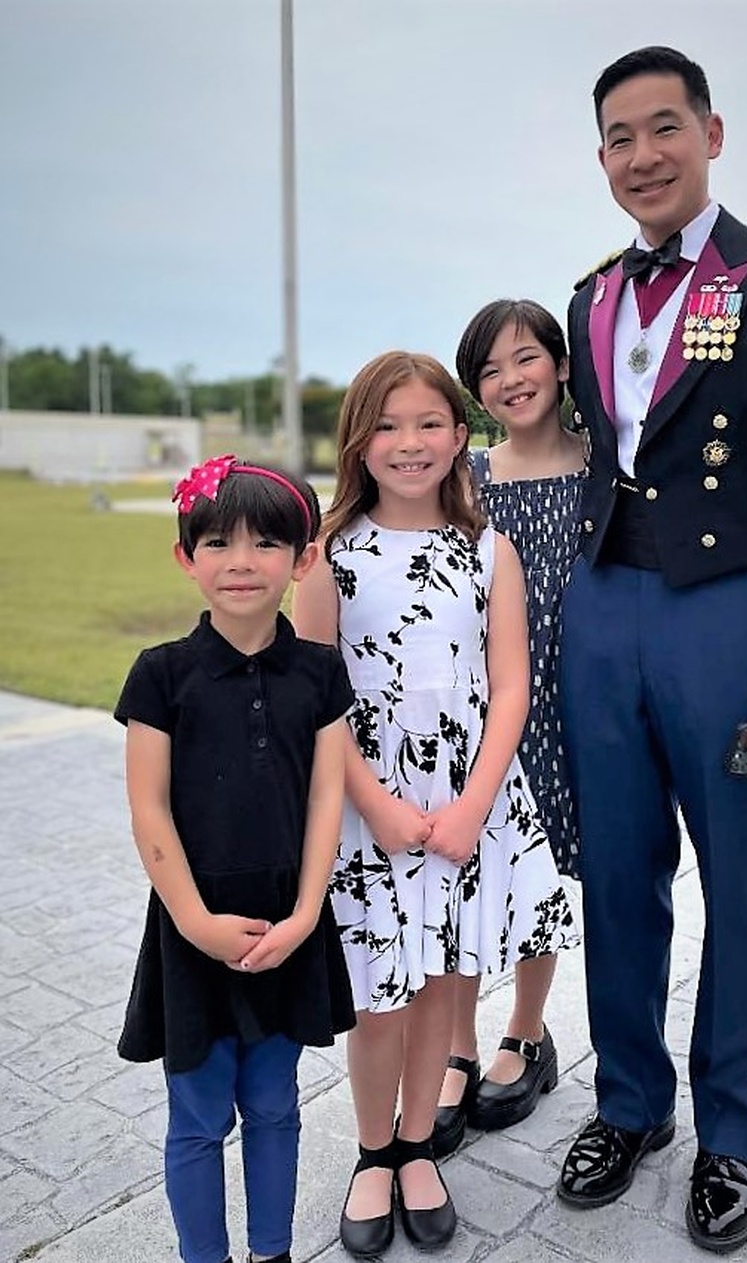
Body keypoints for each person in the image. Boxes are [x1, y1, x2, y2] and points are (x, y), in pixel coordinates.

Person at [556, 46, 747, 1252]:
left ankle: (731, 1135)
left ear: (711, 133)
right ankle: (629, 1105)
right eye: (618, 138)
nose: (641, 156)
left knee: (741, 888)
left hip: (731, 620)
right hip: (603, 613)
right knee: (616, 878)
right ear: (600, 157)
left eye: (663, 128)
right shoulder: (590, 296)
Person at [292, 351, 577, 1257]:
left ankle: (418, 1147)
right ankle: (372, 1153)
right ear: (357, 442)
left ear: (460, 436)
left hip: (466, 809)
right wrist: (372, 802)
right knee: (382, 997)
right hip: (368, 811)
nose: (408, 442)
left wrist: (473, 805)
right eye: (386, 425)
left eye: (427, 423)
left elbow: (511, 685)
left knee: (443, 986)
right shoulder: (329, 557)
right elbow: (313, 697)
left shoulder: (489, 550)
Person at [114, 455, 356, 1263]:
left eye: (265, 542)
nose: (241, 561)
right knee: (197, 1116)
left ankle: (272, 1250)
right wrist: (194, 920)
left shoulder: (320, 672)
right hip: (195, 929)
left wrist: (306, 913)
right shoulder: (161, 675)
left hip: (289, 923)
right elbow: (149, 808)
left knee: (275, 1104)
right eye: (218, 542)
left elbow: (327, 796)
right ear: (187, 557)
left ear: (303, 557)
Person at [430, 300, 585, 1156]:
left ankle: (527, 1032)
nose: (510, 380)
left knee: (541, 877)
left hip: (577, 703)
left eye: (525, 358)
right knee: (461, 871)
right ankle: (456, 1044)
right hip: (480, 711)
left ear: (560, 364)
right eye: (488, 371)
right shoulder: (467, 478)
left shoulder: (606, 467)